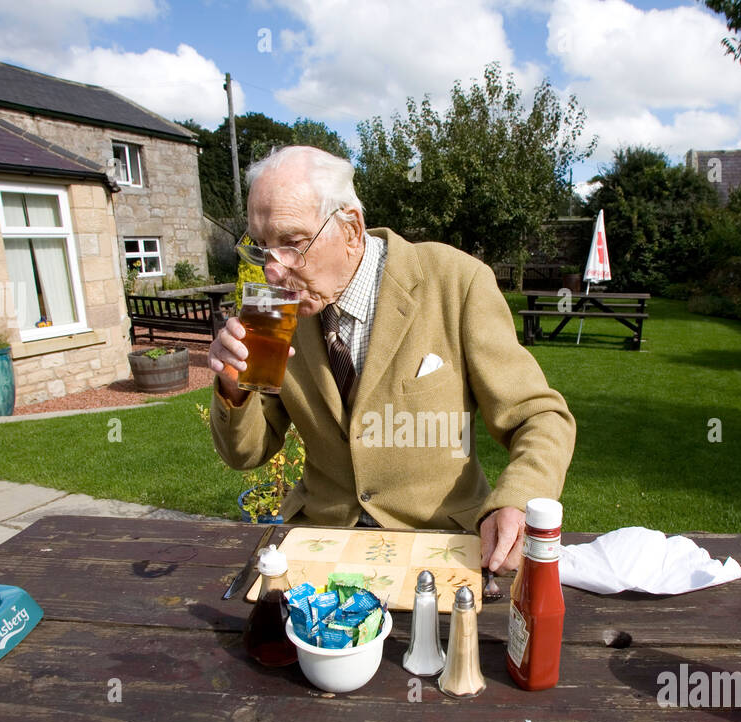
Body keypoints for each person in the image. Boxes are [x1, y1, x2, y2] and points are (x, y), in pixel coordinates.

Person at [208, 146, 574, 573]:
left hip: (441, 545)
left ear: (351, 228)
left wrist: (516, 499)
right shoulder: (273, 308)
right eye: (262, 245)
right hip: (321, 544)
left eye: (291, 243)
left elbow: (540, 416)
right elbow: (246, 453)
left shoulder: (457, 282)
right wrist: (233, 386)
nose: (272, 270)